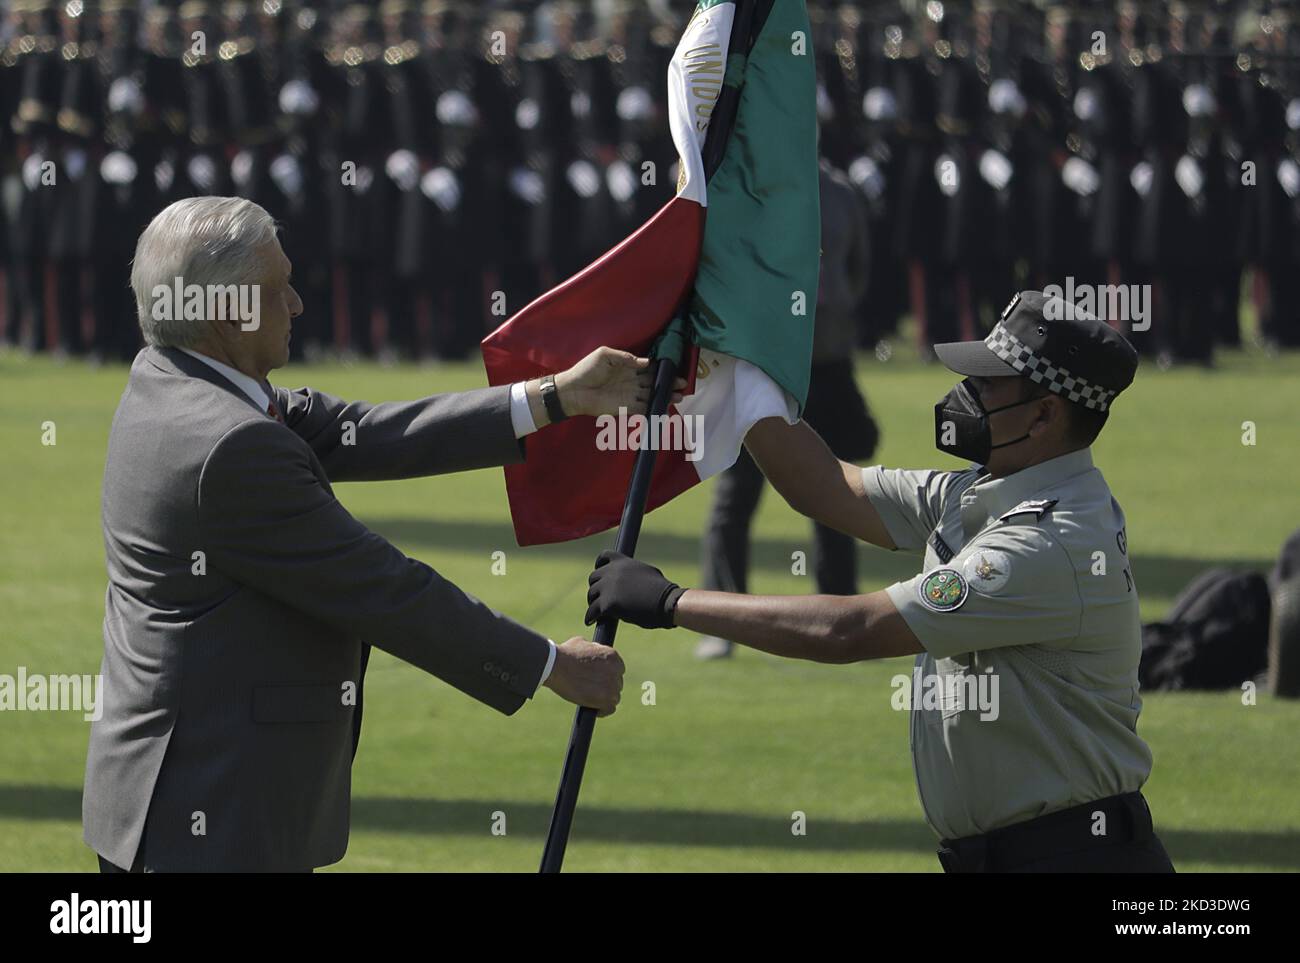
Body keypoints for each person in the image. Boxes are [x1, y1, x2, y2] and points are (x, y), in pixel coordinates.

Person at [83, 195, 679, 873]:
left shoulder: (171, 381)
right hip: (215, 814)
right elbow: (383, 588)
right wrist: (551, 664)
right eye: (279, 290)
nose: (300, 304)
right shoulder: (231, 445)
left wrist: (557, 397)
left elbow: (364, 431)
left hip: (167, 800)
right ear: (228, 313)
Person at [585, 290, 1176, 873]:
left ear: (1045, 414)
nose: (964, 395)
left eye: (989, 384)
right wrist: (735, 364)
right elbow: (825, 485)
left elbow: (851, 631)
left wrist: (672, 602)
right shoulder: (982, 490)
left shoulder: (1048, 540)